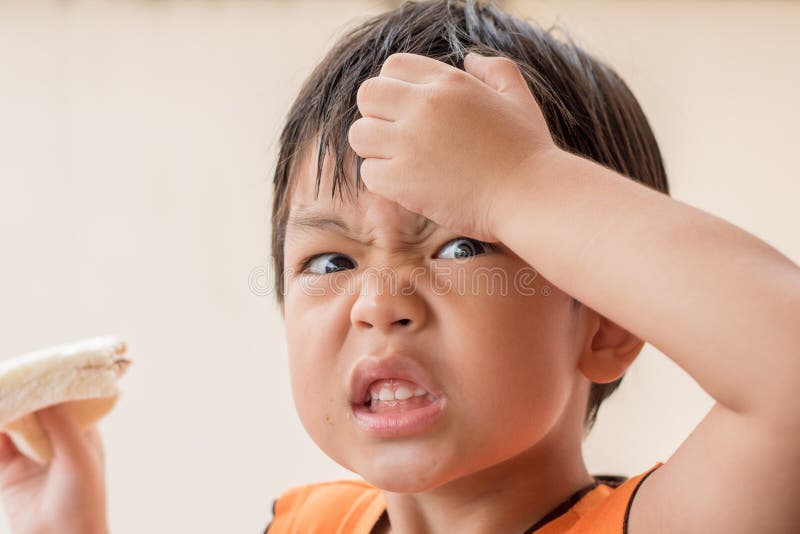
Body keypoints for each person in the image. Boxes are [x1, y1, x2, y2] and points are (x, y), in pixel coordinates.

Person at [2, 1, 799, 533]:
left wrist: (522, 182)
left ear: (608, 321)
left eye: (461, 244)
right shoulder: (306, 523)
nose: (377, 303)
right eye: (330, 259)